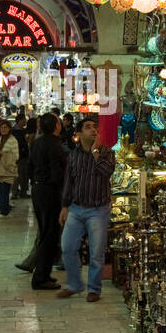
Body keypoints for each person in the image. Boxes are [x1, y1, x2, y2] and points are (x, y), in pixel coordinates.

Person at [58, 117, 116, 302]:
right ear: (79, 133)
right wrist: (65, 206)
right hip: (76, 208)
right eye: (88, 127)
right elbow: (69, 181)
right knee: (67, 247)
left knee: (96, 253)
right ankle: (74, 284)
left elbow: (107, 172)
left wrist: (96, 152)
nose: (93, 130)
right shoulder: (73, 155)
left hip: (98, 209)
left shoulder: (107, 152)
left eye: (95, 127)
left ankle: (94, 289)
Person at [28, 112, 67, 291]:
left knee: (46, 232)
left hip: (38, 189)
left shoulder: (37, 143)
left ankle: (43, 273)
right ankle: (40, 277)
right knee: (49, 234)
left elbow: (30, 167)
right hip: (49, 191)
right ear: (57, 126)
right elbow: (57, 173)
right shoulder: (54, 145)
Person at [0, 120, 18, 216]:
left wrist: (4, 154)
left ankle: (4, 210)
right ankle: (5, 207)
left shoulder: (12, 140)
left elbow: (16, 156)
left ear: (9, 129)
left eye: (5, 127)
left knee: (4, 190)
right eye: (2, 127)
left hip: (7, 168)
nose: (3, 129)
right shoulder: (0, 139)